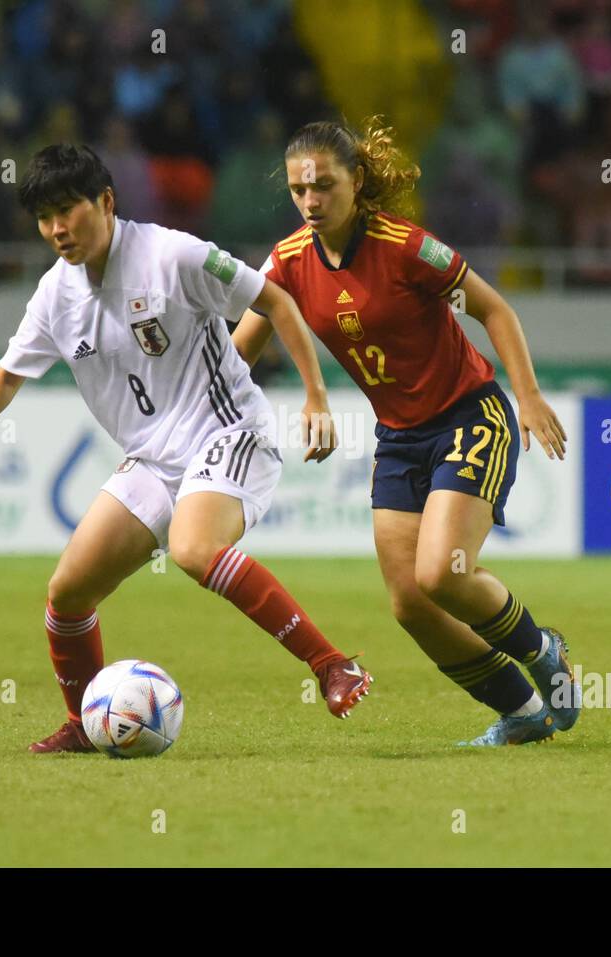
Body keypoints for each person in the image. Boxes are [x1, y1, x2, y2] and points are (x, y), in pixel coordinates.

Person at [0, 144, 372, 753]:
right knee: (68, 592)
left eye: (69, 210)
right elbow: (9, 374)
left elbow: (274, 300)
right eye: (45, 218)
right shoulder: (53, 296)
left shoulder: (173, 255)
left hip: (229, 431)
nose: (58, 229)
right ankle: (85, 725)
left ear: (107, 202)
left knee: (194, 549)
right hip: (155, 460)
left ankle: (332, 665)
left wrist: (316, 397)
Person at [231, 119, 577, 746]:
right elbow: (240, 354)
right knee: (410, 604)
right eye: (298, 191)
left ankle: (542, 648)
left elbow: (494, 307)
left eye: (324, 187)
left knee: (442, 574)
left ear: (356, 181)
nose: (310, 202)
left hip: (471, 416)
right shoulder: (286, 262)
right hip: (398, 438)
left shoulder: (407, 246)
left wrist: (527, 396)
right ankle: (522, 712)